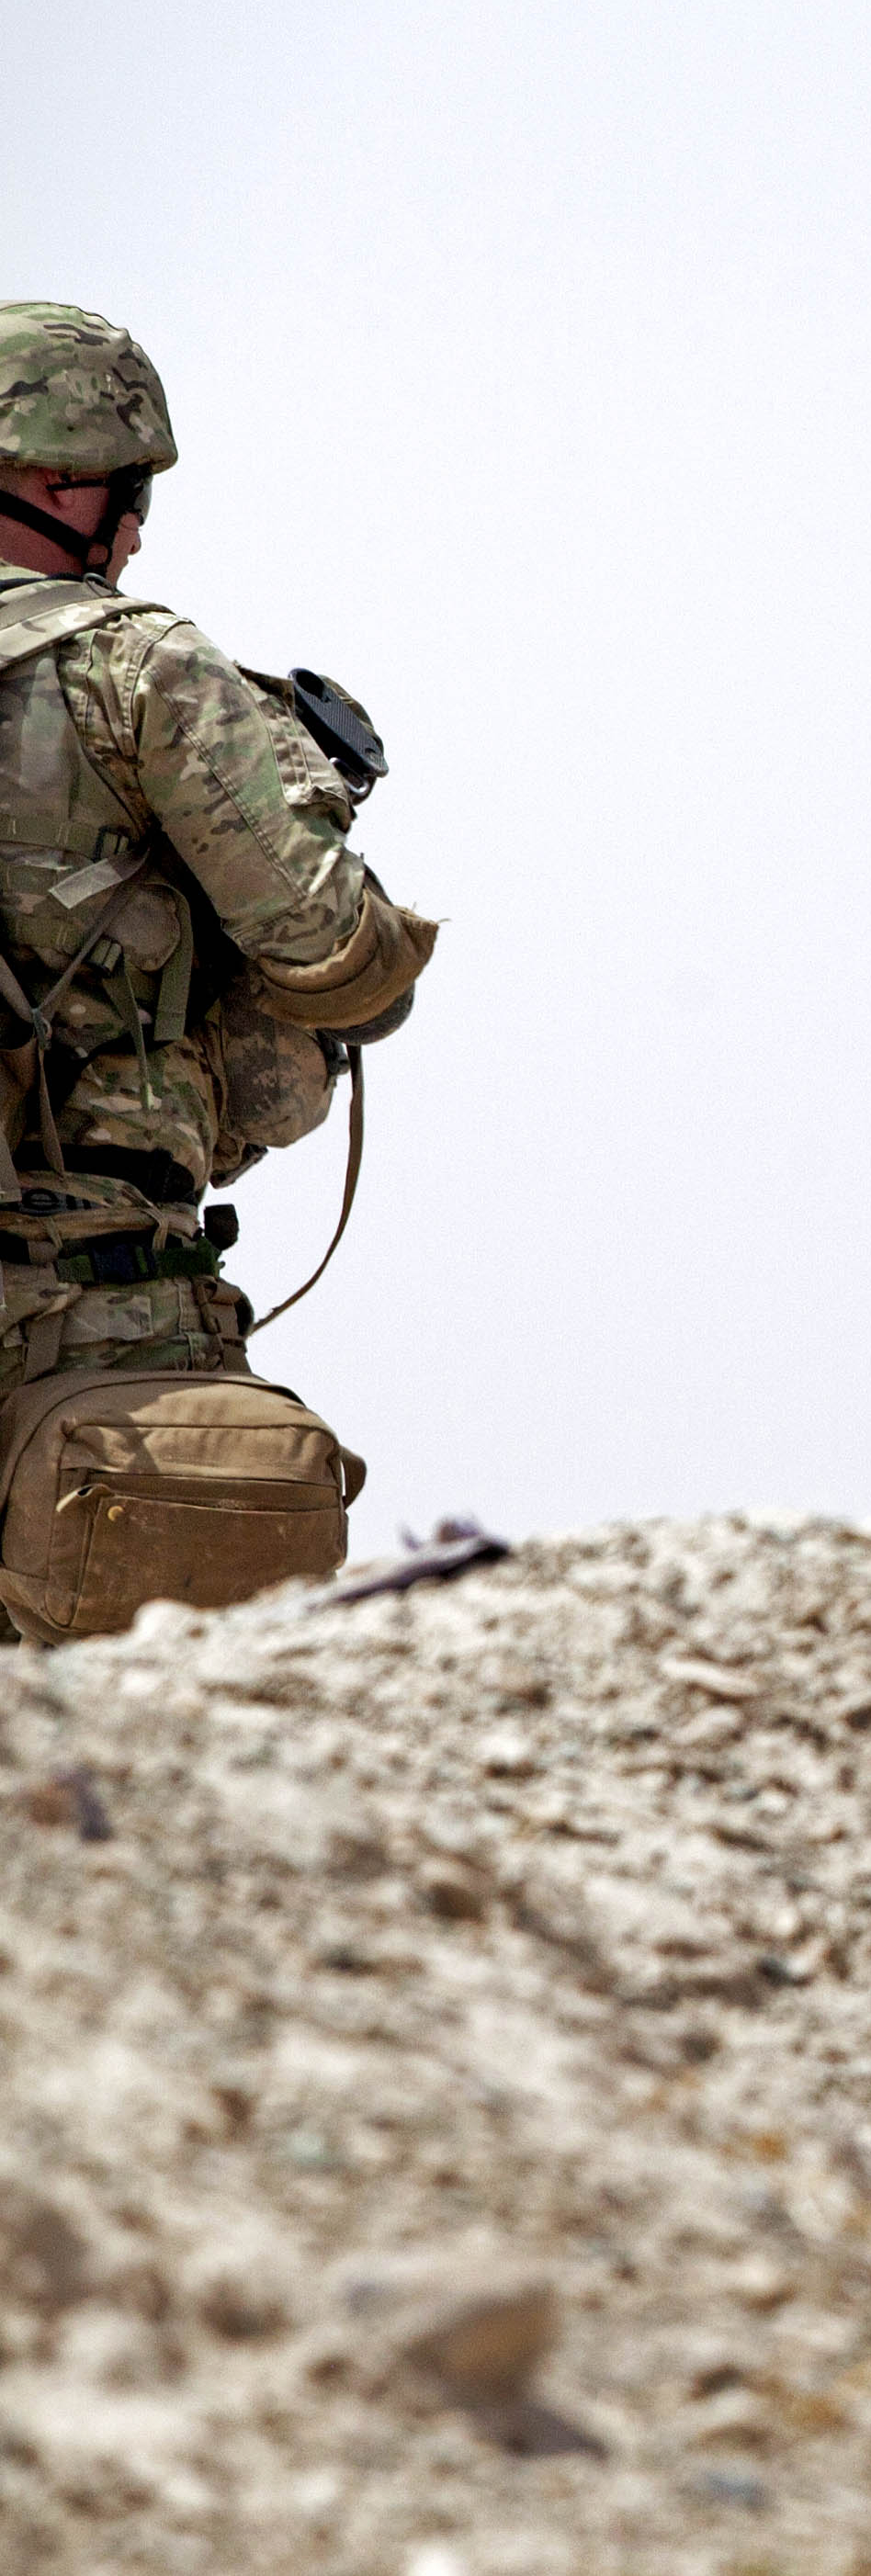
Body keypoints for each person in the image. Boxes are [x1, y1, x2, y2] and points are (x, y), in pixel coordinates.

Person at [0, 302, 424, 1631]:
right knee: (139, 1748)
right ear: (58, 479)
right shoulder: (138, 671)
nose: (136, 531)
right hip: (94, 1323)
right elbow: (341, 959)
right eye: (127, 491)